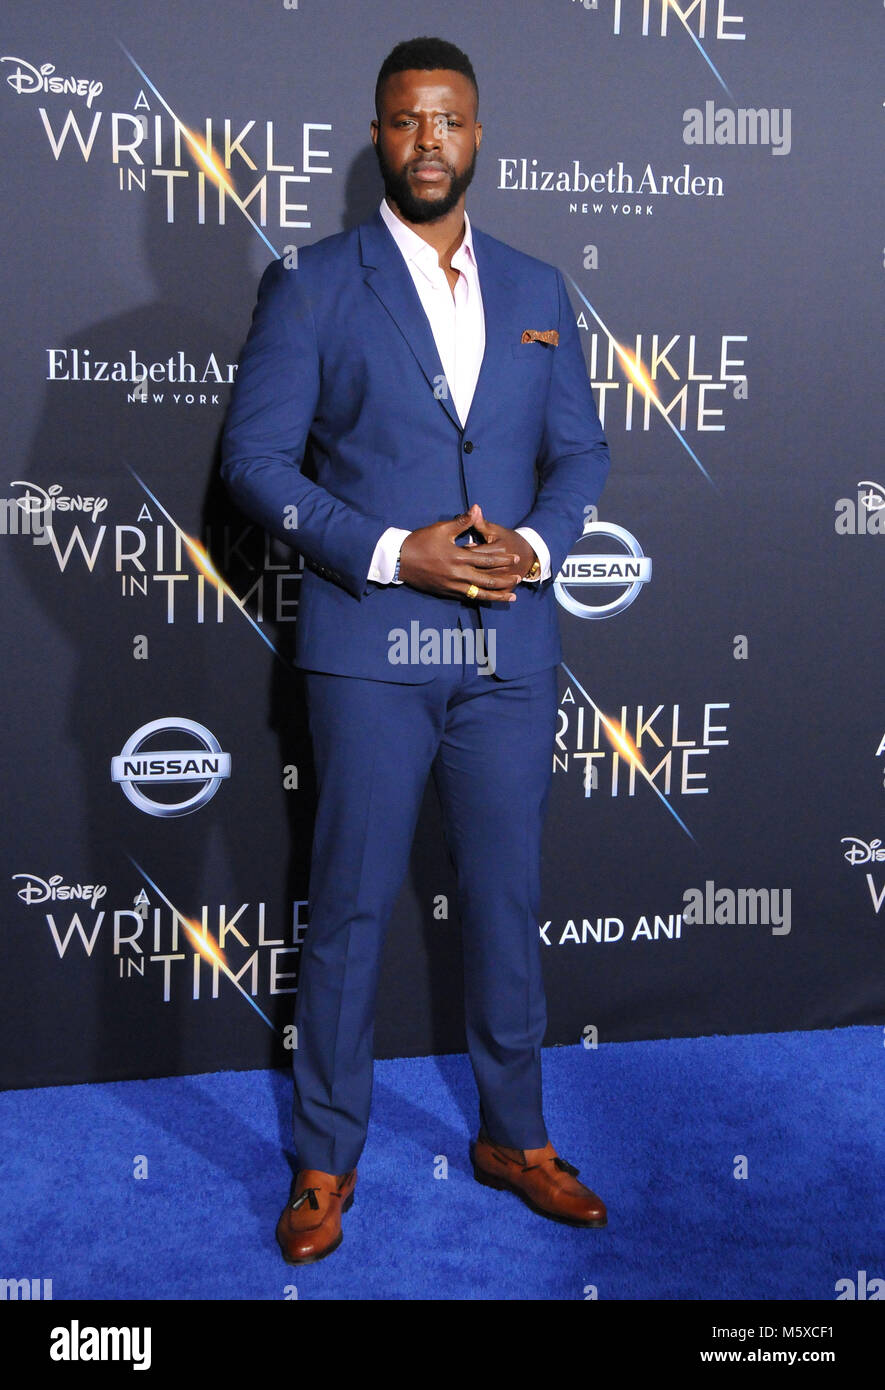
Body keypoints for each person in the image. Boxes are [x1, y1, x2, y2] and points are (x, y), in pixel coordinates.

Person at [221, 35, 611, 1265]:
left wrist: (540, 550)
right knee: (343, 910)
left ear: (479, 134)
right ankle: (325, 1161)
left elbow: (583, 452)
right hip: (367, 650)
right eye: (404, 121)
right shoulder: (313, 284)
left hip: (511, 652)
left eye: (448, 119)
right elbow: (254, 465)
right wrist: (398, 552)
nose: (427, 139)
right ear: (378, 138)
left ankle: (516, 1135)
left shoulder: (544, 289)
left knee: (506, 901)